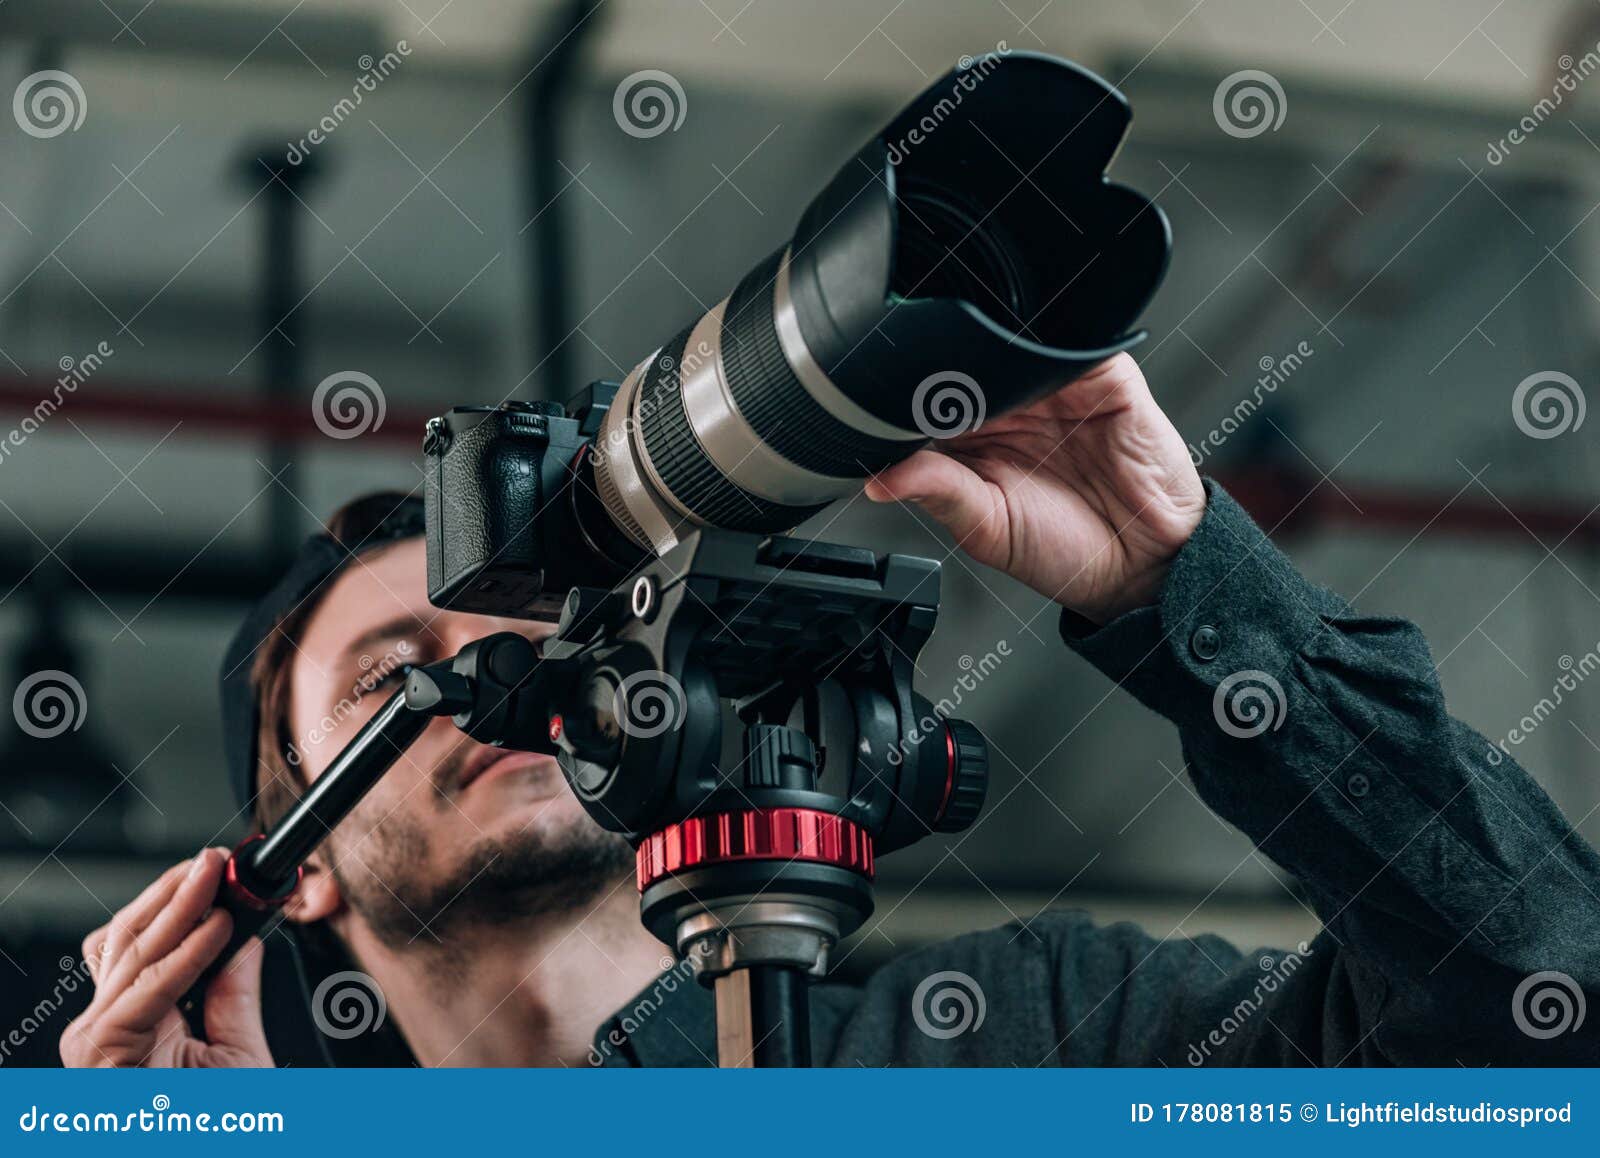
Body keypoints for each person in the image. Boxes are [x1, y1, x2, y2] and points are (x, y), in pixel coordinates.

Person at [59, 354, 1599, 1067]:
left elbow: (1539, 1003)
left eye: (541, 626)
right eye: (395, 670)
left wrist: (1187, 588)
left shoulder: (1040, 1041)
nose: (509, 671)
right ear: (293, 854)